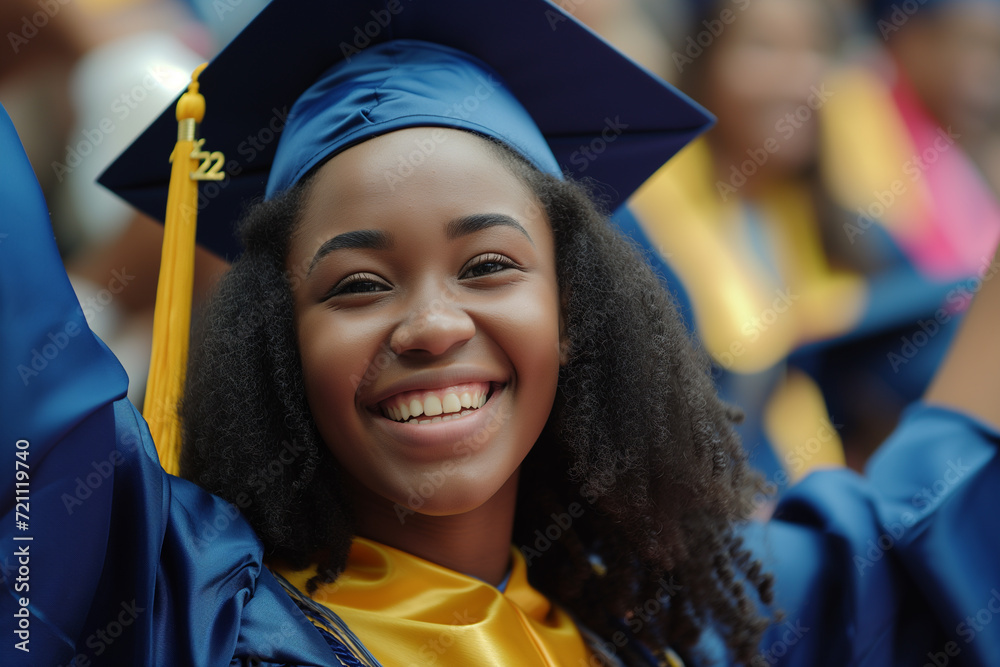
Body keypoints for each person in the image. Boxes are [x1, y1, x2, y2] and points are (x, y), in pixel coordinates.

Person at [2, 1, 999, 667]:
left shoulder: (674, 630)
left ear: (574, 317)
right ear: (279, 343)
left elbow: (927, 529)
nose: (433, 324)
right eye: (356, 283)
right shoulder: (176, 611)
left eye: (488, 265)